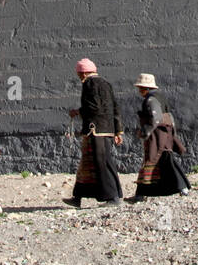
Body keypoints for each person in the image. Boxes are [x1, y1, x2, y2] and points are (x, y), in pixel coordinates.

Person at [65, 59, 123, 206]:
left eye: (79, 74)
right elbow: (114, 108)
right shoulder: (106, 84)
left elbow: (93, 107)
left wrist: (78, 111)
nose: (79, 77)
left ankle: (112, 197)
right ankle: (78, 197)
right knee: (88, 163)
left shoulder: (89, 84)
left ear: (83, 72)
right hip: (107, 130)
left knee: (101, 162)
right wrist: (118, 131)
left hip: (95, 130)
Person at [129, 73, 190, 201]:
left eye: (141, 88)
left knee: (155, 159)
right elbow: (170, 118)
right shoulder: (160, 98)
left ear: (146, 88)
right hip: (165, 134)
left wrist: (145, 132)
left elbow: (155, 118)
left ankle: (182, 187)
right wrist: (172, 134)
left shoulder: (150, 100)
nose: (139, 90)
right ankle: (142, 193)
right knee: (161, 160)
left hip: (157, 136)